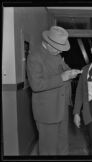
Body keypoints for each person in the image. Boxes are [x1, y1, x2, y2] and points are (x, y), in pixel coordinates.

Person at [27, 26, 82, 155]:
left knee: (62, 145)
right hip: (47, 112)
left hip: (61, 108)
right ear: (47, 42)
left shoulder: (56, 55)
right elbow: (36, 85)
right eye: (57, 47)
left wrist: (71, 72)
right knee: (48, 149)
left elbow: (64, 69)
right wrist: (62, 77)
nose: (60, 51)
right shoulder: (35, 57)